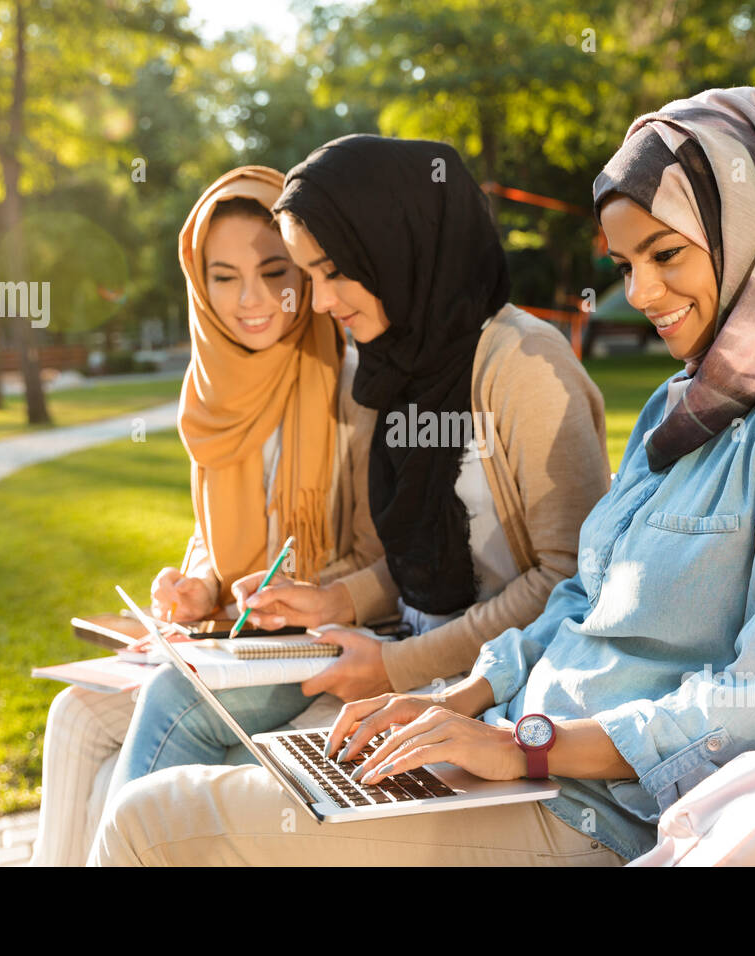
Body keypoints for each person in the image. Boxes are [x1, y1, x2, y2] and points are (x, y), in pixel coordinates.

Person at [91, 87, 755, 867]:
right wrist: (457, 702)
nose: (642, 292)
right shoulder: (685, 401)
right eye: (625, 264)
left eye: (664, 255)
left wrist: (520, 745)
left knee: (153, 823)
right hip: (517, 755)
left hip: (598, 809)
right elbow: (579, 601)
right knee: (210, 771)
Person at [100, 134, 612, 800]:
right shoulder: (398, 364)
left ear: (397, 247)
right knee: (202, 774)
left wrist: (397, 666)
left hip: (499, 698)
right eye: (308, 276)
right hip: (417, 669)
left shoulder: (524, 366)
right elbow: (411, 565)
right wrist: (332, 600)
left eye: (332, 271)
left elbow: (568, 582)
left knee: (213, 792)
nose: (315, 303)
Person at [28, 166, 382, 866]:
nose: (250, 300)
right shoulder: (210, 390)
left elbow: (395, 556)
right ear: (199, 283)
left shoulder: (353, 379)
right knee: (72, 713)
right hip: (234, 636)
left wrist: (310, 596)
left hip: (330, 636)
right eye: (223, 276)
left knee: (171, 696)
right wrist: (198, 583)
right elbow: (211, 537)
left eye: (274, 271)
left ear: (305, 268)